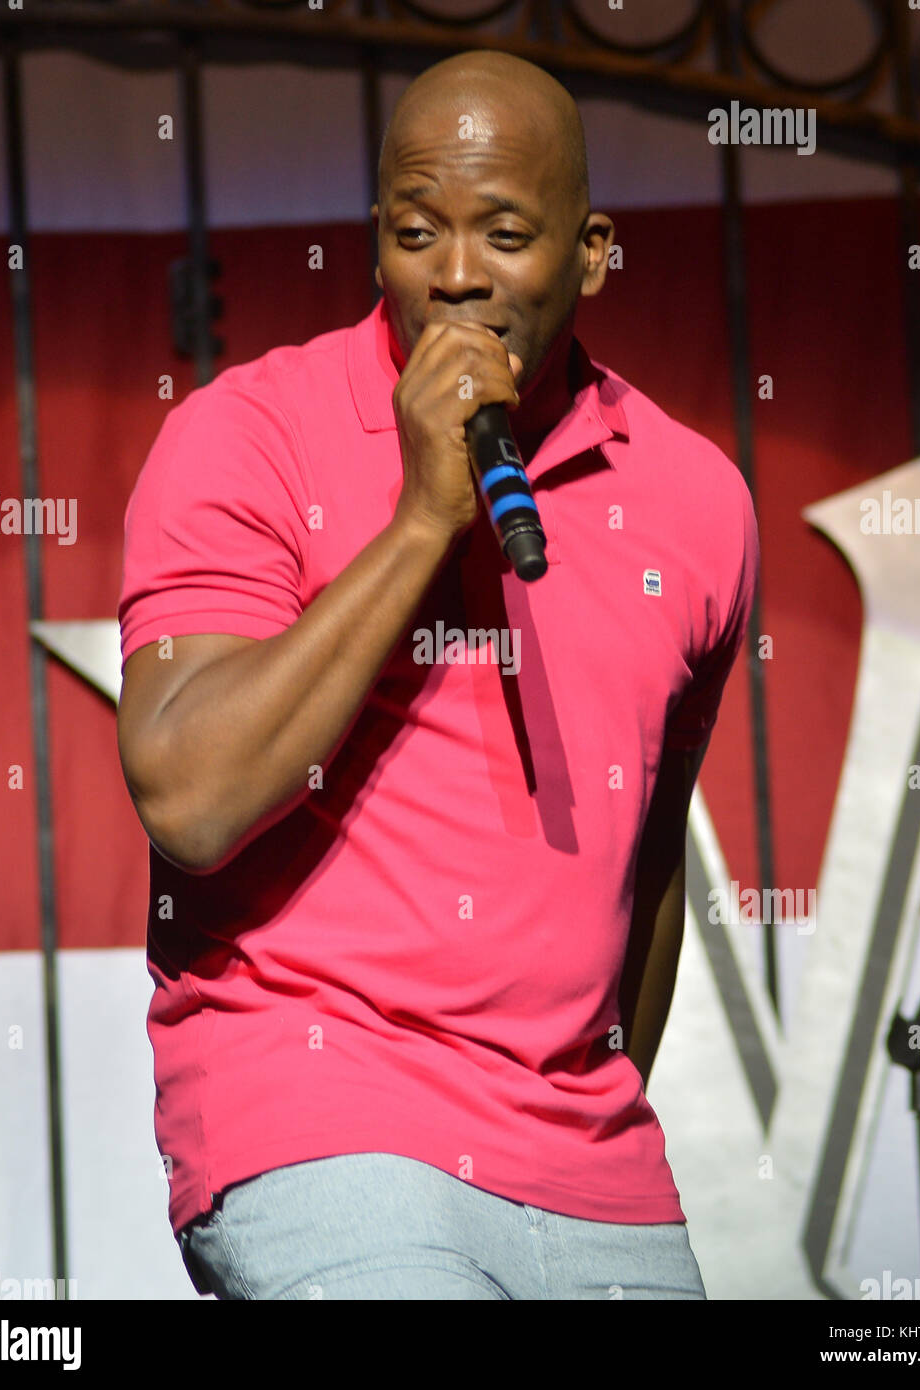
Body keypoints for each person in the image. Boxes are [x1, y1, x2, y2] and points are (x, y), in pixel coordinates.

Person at [116, 48, 759, 1300]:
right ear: (374, 242)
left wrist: (591, 1104)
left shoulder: (696, 502)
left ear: (591, 252)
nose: (455, 273)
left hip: (591, 1165)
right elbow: (190, 799)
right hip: (323, 1112)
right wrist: (419, 521)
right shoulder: (243, 438)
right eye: (417, 231)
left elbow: (649, 864)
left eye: (506, 233)